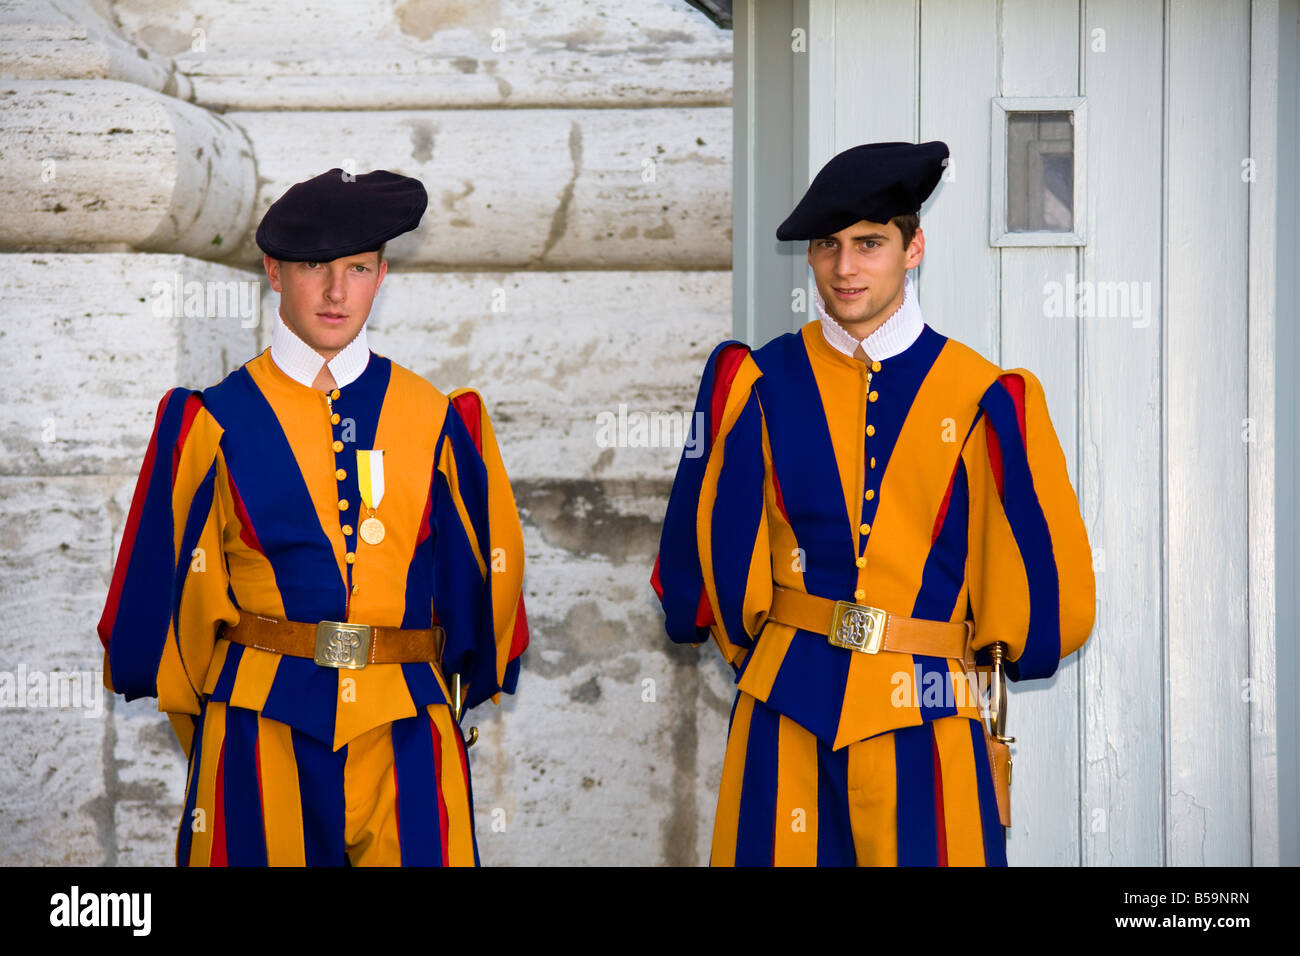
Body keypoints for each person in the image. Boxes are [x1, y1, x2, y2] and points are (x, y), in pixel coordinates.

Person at [651, 141, 1095, 866]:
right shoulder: (756, 384)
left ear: (913, 245)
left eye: (870, 243)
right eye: (827, 246)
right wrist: (770, 653)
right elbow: (704, 558)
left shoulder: (985, 397)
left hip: (932, 716)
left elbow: (1043, 595)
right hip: (784, 712)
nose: (846, 268)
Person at [97, 168, 529, 866]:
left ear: (382, 276)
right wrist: (219, 718)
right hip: (259, 727)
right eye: (313, 267)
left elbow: (481, 593)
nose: (336, 291)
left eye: (357, 268)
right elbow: (162, 608)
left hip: (408, 733)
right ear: (274, 272)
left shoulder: (437, 419)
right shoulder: (212, 422)